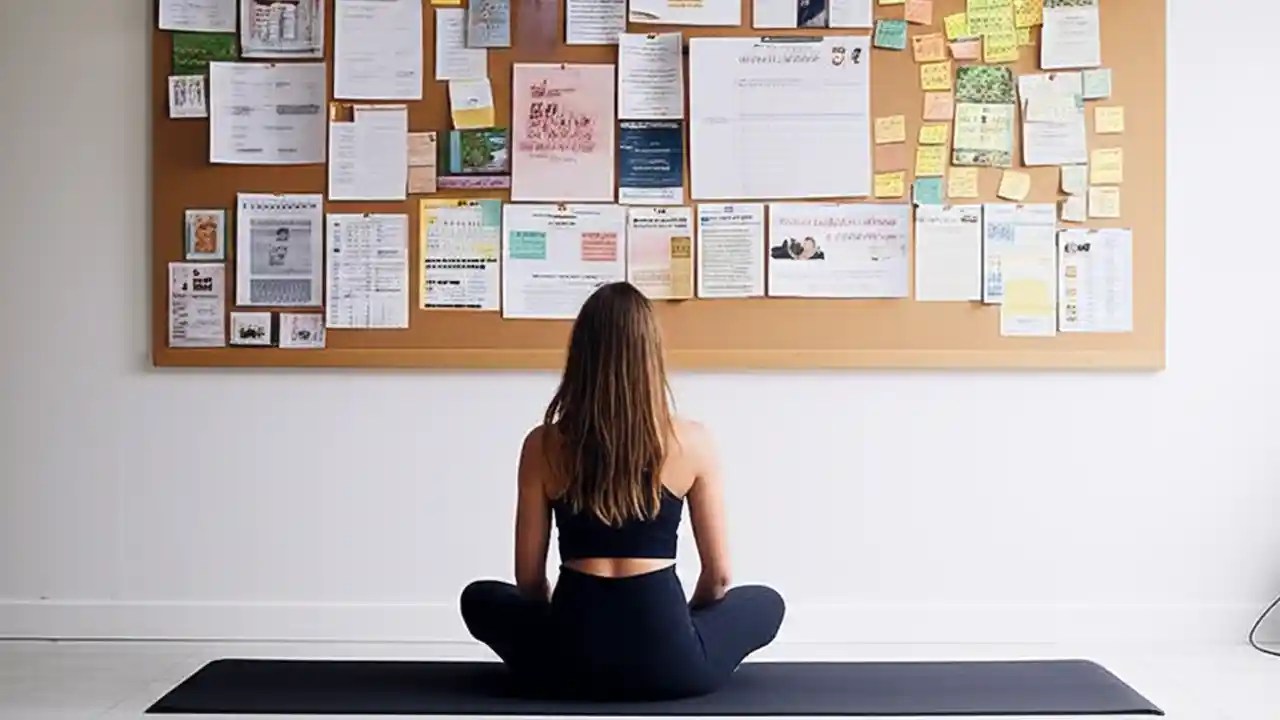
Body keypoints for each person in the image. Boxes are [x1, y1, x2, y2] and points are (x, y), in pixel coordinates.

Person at [460, 282, 784, 701]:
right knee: (765, 602)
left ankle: (566, 650)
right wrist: (688, 622)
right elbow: (719, 578)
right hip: (672, 663)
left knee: (479, 598)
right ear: (651, 355)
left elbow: (528, 580)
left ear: (581, 355)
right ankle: (676, 635)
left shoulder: (543, 445)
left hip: (565, 665)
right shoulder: (693, 441)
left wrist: (552, 632)